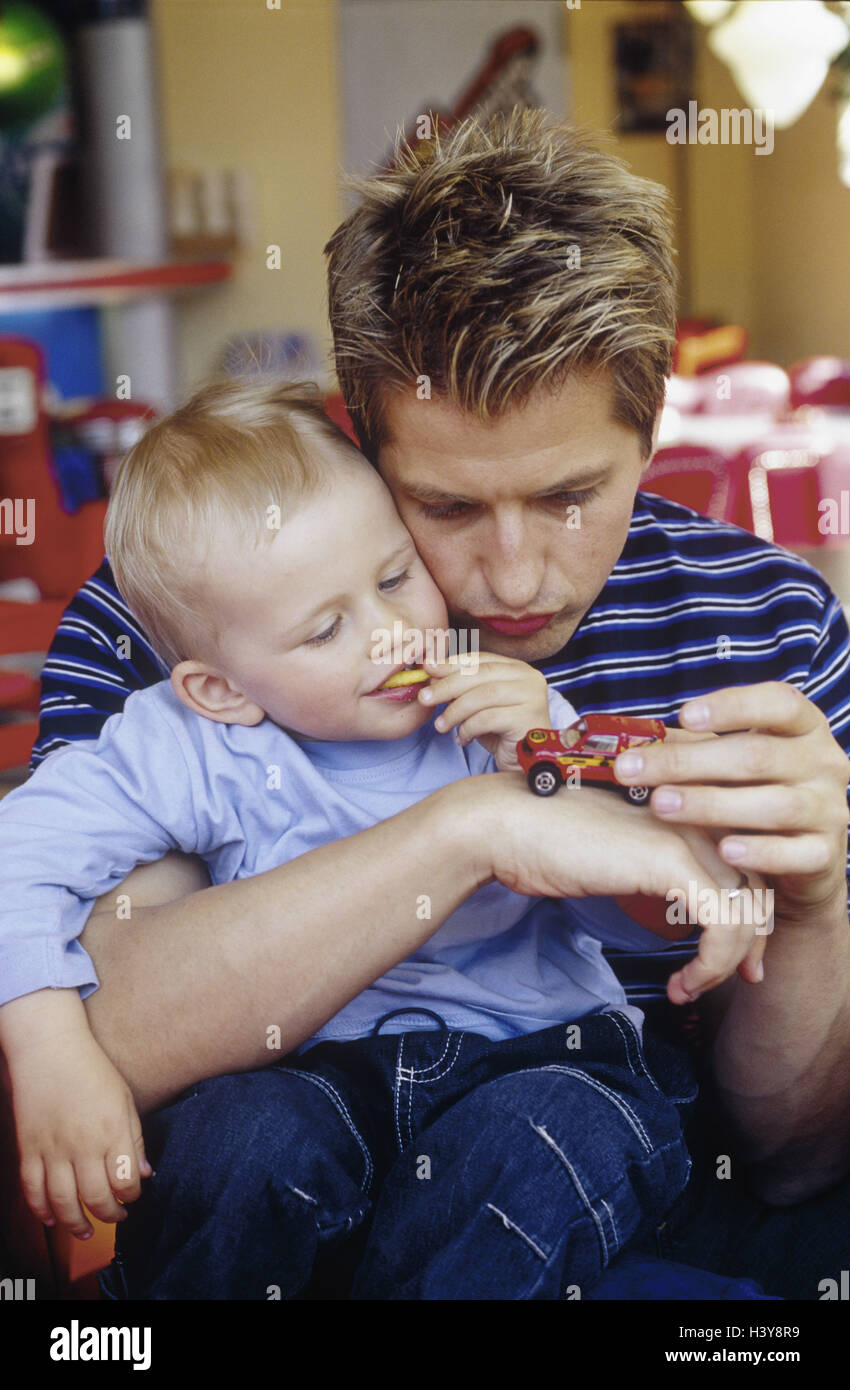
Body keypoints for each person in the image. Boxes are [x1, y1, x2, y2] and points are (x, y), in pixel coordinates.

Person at [26, 110, 850, 1299]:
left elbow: (793, 1161)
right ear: (360, 435)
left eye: (571, 495)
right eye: (446, 510)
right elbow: (116, 1034)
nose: (513, 579)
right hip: (300, 1201)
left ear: (649, 432)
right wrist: (476, 829)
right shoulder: (192, 616)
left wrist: (813, 899)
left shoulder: (770, 624)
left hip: (625, 1176)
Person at [0, 376, 752, 1300]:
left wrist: (551, 762)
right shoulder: (187, 745)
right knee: (234, 1142)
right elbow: (16, 858)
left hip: (545, 1060)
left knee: (535, 1147)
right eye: (326, 629)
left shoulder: (498, 711)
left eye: (397, 577)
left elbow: (638, 922)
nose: (395, 635)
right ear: (220, 690)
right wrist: (46, 1046)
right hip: (322, 1083)